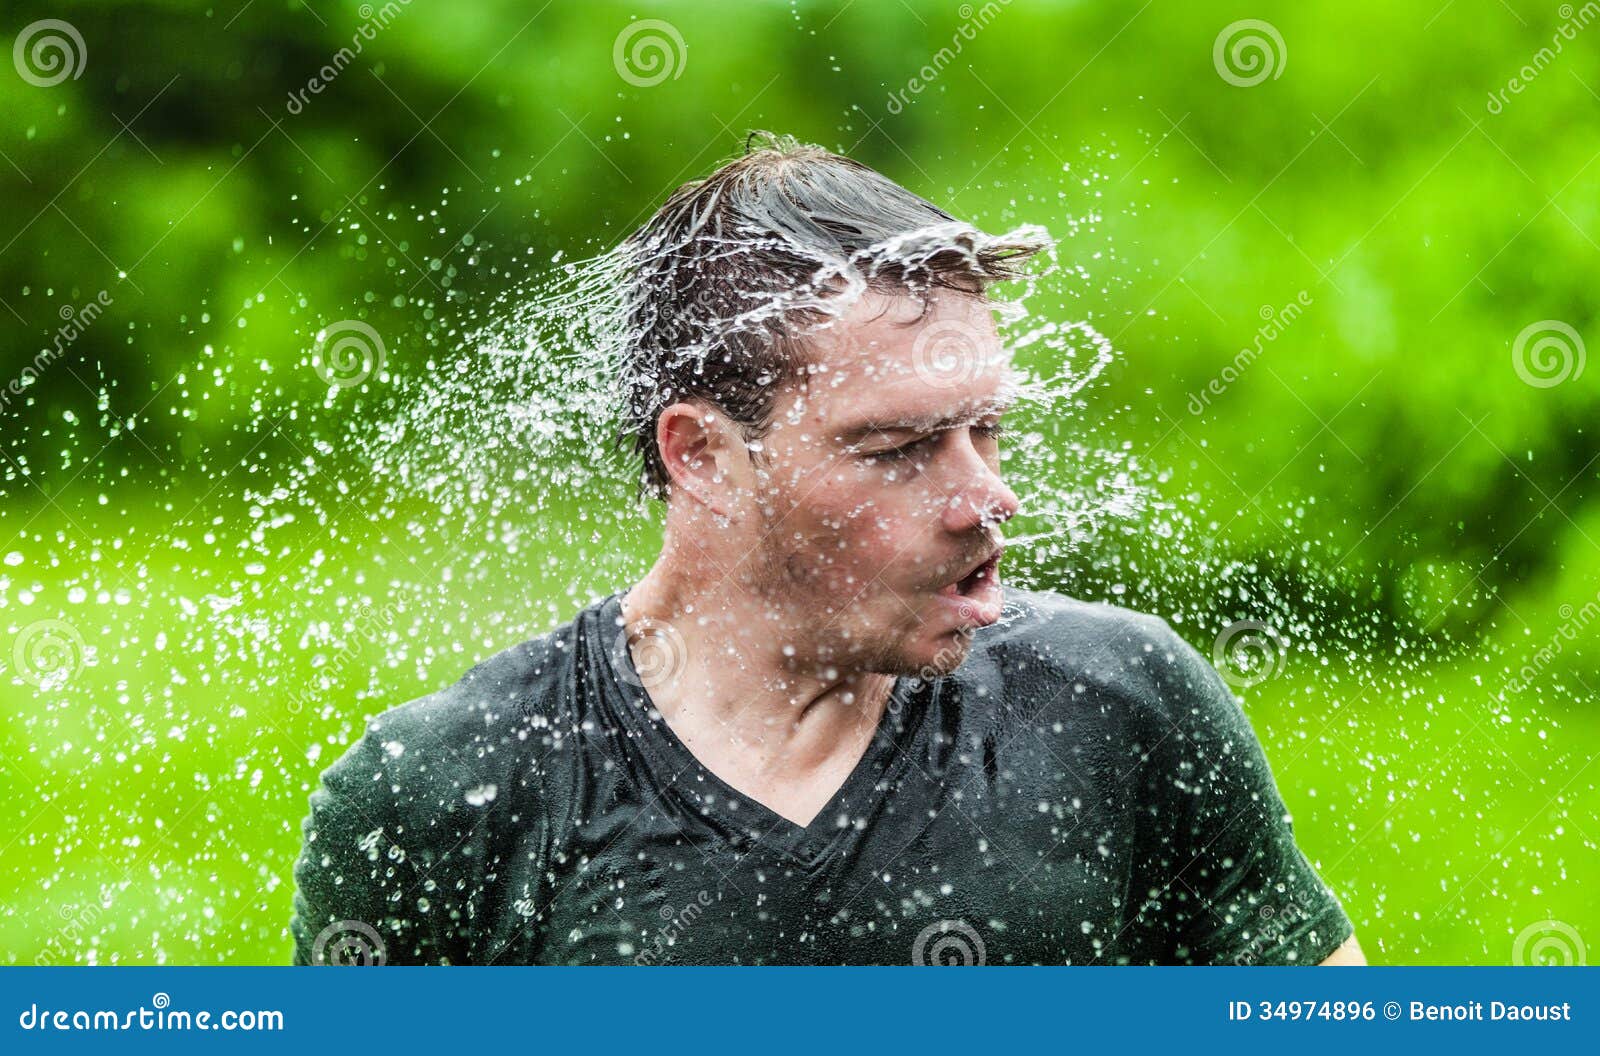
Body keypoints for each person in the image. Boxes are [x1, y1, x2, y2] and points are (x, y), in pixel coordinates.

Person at [290, 133, 1363, 966]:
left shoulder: (1118, 707)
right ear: (703, 456)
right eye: (897, 447)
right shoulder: (449, 793)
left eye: (984, 428)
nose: (985, 499)